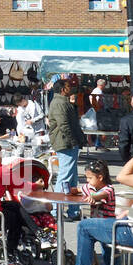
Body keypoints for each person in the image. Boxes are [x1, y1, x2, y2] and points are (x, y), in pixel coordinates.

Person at [47, 80, 82, 220]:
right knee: (65, 176)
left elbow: (70, 120)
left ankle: (73, 210)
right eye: (68, 86)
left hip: (67, 142)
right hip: (65, 142)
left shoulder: (63, 101)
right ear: (63, 89)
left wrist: (73, 105)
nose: (71, 88)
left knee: (71, 178)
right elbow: (64, 124)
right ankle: (55, 210)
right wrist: (74, 141)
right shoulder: (59, 103)